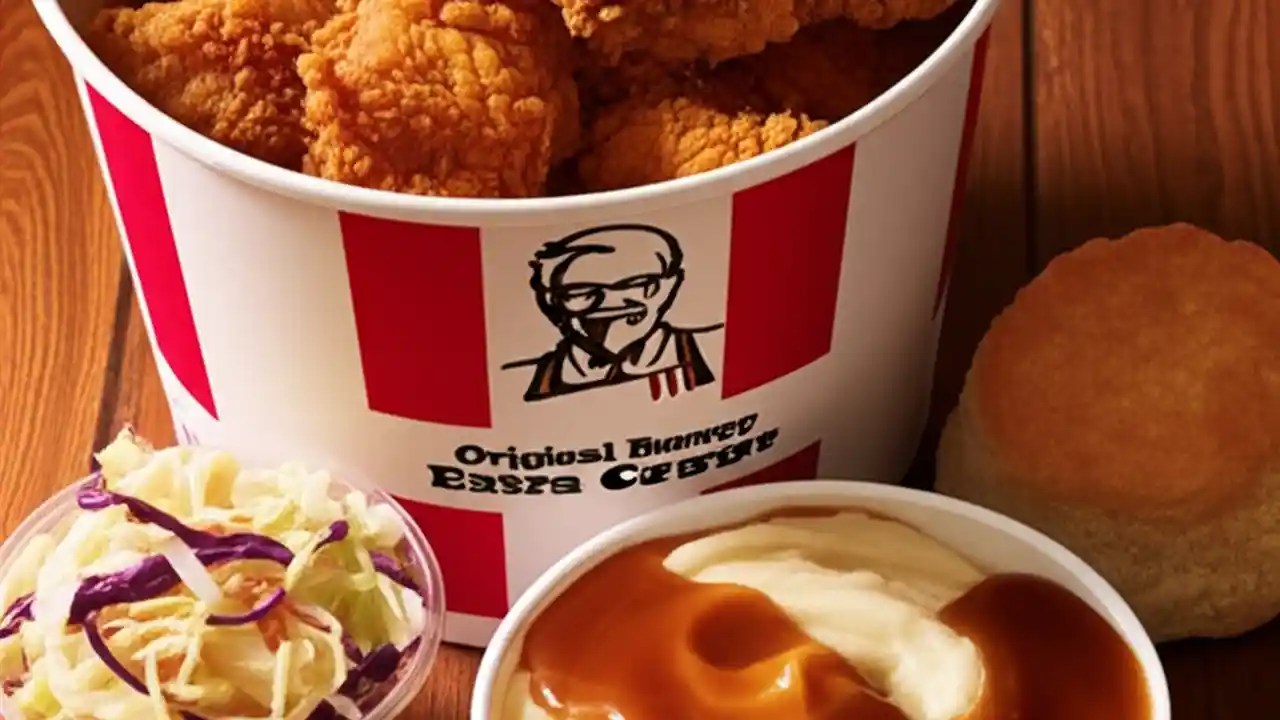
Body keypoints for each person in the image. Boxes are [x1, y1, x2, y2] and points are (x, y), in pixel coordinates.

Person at [505, 224, 721, 402]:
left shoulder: (717, 346)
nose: (613, 303)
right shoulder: (513, 380)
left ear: (669, 287)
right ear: (551, 303)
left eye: (639, 283)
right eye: (583, 292)